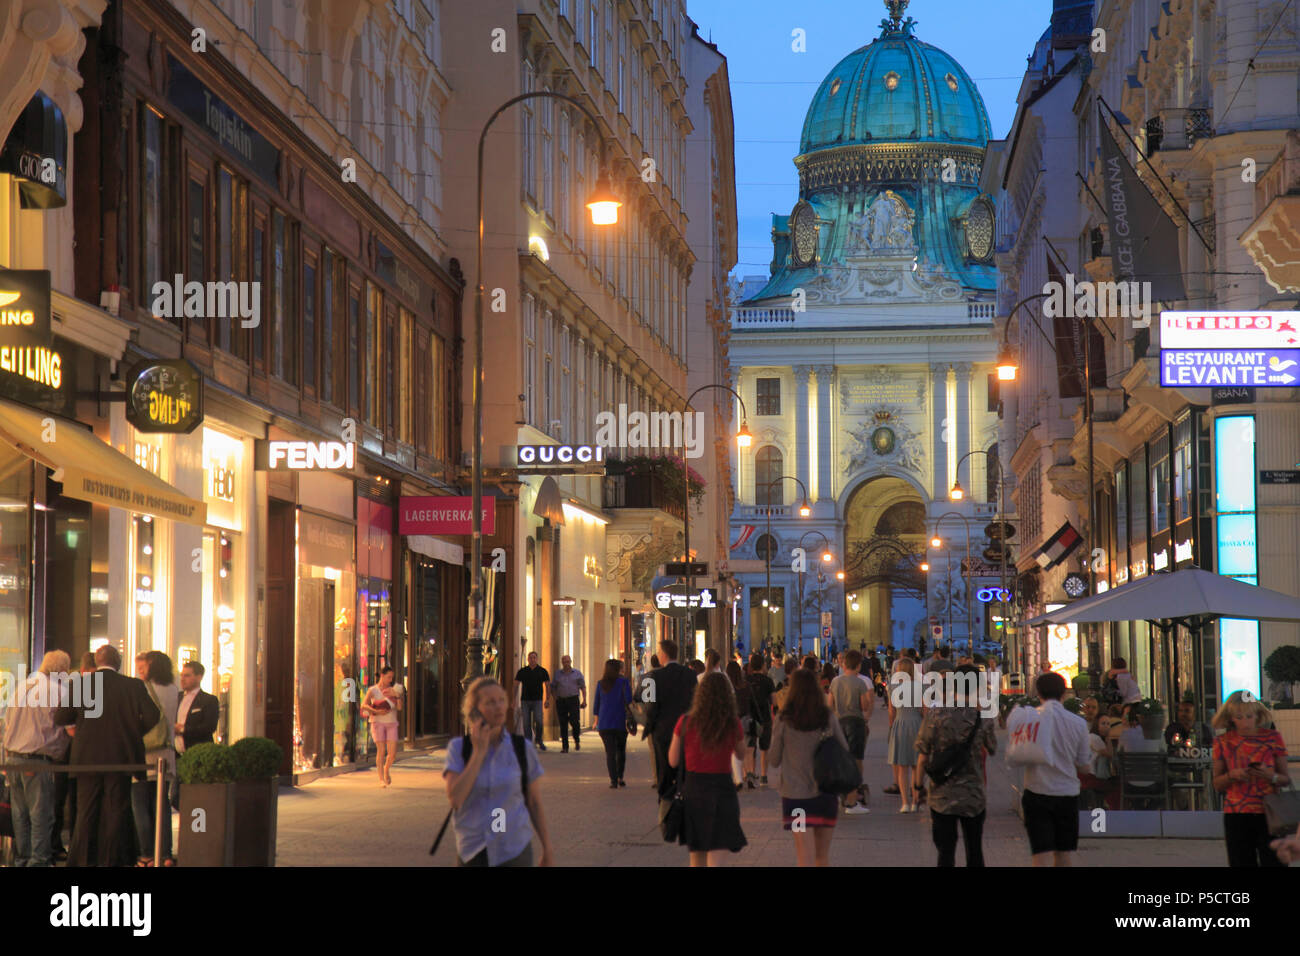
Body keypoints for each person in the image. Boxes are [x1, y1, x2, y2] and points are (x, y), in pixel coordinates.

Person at [55, 645, 160, 868]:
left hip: (86, 759)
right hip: (120, 757)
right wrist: (133, 731)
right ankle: (111, 860)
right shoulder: (132, 685)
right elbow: (153, 715)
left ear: (97, 661)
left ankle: (82, 860)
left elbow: (61, 717)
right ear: (118, 662)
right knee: (116, 809)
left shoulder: (81, 684)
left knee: (86, 811)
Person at [444, 677, 553, 866]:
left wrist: (547, 847)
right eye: (490, 702)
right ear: (475, 709)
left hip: (514, 850)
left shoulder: (522, 748)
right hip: (474, 850)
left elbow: (534, 802)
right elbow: (455, 798)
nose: (499, 707)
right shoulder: (459, 748)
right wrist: (478, 753)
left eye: (501, 700)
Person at [915, 664, 997, 866]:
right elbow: (993, 748)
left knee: (945, 851)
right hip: (973, 795)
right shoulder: (983, 716)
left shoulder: (935, 715)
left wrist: (917, 786)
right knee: (975, 849)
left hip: (941, 796)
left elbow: (923, 755)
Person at [668, 671, 748, 866]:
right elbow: (741, 754)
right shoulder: (731, 722)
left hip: (694, 791)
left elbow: (672, 760)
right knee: (717, 856)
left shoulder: (686, 722)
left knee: (697, 856)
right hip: (722, 790)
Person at [771, 668, 849, 866]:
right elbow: (844, 748)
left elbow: (773, 759)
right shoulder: (827, 717)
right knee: (821, 856)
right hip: (825, 796)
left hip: (796, 798)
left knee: (803, 856)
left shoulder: (784, 719)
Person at [2, 650, 72, 867]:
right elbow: (67, 728)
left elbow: (6, 725)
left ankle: (22, 859)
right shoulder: (58, 692)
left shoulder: (20, 688)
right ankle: (38, 860)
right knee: (40, 815)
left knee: (20, 814)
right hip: (37, 758)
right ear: (61, 670)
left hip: (12, 758)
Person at [1019, 672, 1093, 867]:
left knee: (1040, 854)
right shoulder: (1079, 724)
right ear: (1063, 693)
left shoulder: (1029, 720)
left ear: (1038, 693)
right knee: (1064, 853)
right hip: (1066, 793)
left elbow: (1019, 755)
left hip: (1036, 791)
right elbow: (1084, 766)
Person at [1211, 691, 1289, 867]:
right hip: (1237, 814)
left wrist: (1271, 776)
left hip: (1270, 813)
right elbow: (1216, 783)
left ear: (1257, 715)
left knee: (1275, 863)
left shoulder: (1272, 738)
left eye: (1249, 716)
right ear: (1231, 718)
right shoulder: (1223, 742)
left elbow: (1286, 779)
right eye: (1239, 717)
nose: (1245, 722)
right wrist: (1232, 775)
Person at [130, 651, 179, 866]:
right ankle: (166, 854)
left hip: (145, 754)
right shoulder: (173, 689)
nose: (141, 671)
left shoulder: (143, 689)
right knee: (162, 806)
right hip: (166, 754)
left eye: (143, 667)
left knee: (140, 806)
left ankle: (147, 854)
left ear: (151, 666)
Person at [643, 639, 697, 797]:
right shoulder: (690, 675)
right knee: (685, 770)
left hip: (663, 731)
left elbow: (650, 705)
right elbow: (695, 701)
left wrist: (649, 725)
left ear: (664, 655)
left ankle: (666, 809)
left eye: (659, 652)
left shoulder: (653, 677)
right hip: (686, 729)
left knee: (664, 772)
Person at [828, 649, 873, 814]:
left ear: (844, 664)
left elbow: (829, 705)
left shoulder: (835, 682)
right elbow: (864, 706)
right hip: (855, 723)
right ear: (858, 665)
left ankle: (842, 792)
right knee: (856, 760)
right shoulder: (860, 683)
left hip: (839, 723)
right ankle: (852, 801)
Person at [171, 660, 220, 810]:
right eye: (182, 675)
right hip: (177, 754)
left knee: (194, 794)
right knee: (175, 795)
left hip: (196, 753)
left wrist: (184, 729)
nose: (183, 679)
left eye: (187, 675)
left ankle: (194, 823)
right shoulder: (176, 697)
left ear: (199, 677)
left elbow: (209, 726)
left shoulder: (208, 700)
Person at [887, 657, 924, 811]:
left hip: (900, 724)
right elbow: (925, 710)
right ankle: (915, 801)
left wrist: (892, 727)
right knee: (916, 766)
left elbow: (891, 712)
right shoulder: (921, 687)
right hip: (917, 725)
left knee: (902, 767)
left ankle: (904, 803)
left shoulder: (893, 688)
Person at [360, 666, 404, 786]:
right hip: (377, 722)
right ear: (382, 676)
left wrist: (397, 695)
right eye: (388, 677)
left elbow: (399, 708)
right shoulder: (373, 690)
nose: (390, 680)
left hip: (391, 723)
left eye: (392, 677)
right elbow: (363, 705)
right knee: (381, 750)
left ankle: (386, 769)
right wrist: (377, 711)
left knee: (392, 753)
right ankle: (381, 779)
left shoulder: (395, 689)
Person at [592, 659, 632, 788]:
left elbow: (596, 703)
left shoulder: (601, 684)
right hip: (620, 721)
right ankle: (620, 777)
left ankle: (613, 780)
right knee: (621, 751)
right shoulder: (624, 682)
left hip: (605, 723)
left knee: (610, 753)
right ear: (618, 669)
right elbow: (629, 699)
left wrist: (596, 720)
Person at [746, 653, 777, 785]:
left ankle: (751, 772)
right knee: (765, 747)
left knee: (751, 746)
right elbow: (774, 701)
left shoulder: (747, 680)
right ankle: (764, 775)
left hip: (750, 717)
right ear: (763, 665)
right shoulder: (768, 681)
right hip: (764, 717)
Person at [514, 651, 551, 750]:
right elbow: (516, 685)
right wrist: (513, 699)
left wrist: (547, 699)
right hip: (525, 700)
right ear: (528, 659)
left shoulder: (542, 671)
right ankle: (528, 743)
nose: (532, 659)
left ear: (537, 659)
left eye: (534, 657)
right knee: (526, 723)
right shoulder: (522, 671)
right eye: (531, 657)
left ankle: (539, 739)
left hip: (537, 700)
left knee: (539, 721)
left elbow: (547, 685)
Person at [551, 655, 586, 753]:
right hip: (561, 700)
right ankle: (565, 746)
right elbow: (553, 687)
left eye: (567, 661)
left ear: (570, 662)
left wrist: (584, 700)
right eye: (564, 662)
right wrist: (555, 698)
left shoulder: (577, 673)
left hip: (573, 700)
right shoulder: (558, 674)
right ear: (562, 663)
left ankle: (576, 739)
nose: (566, 664)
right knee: (563, 723)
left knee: (575, 721)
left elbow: (583, 687)